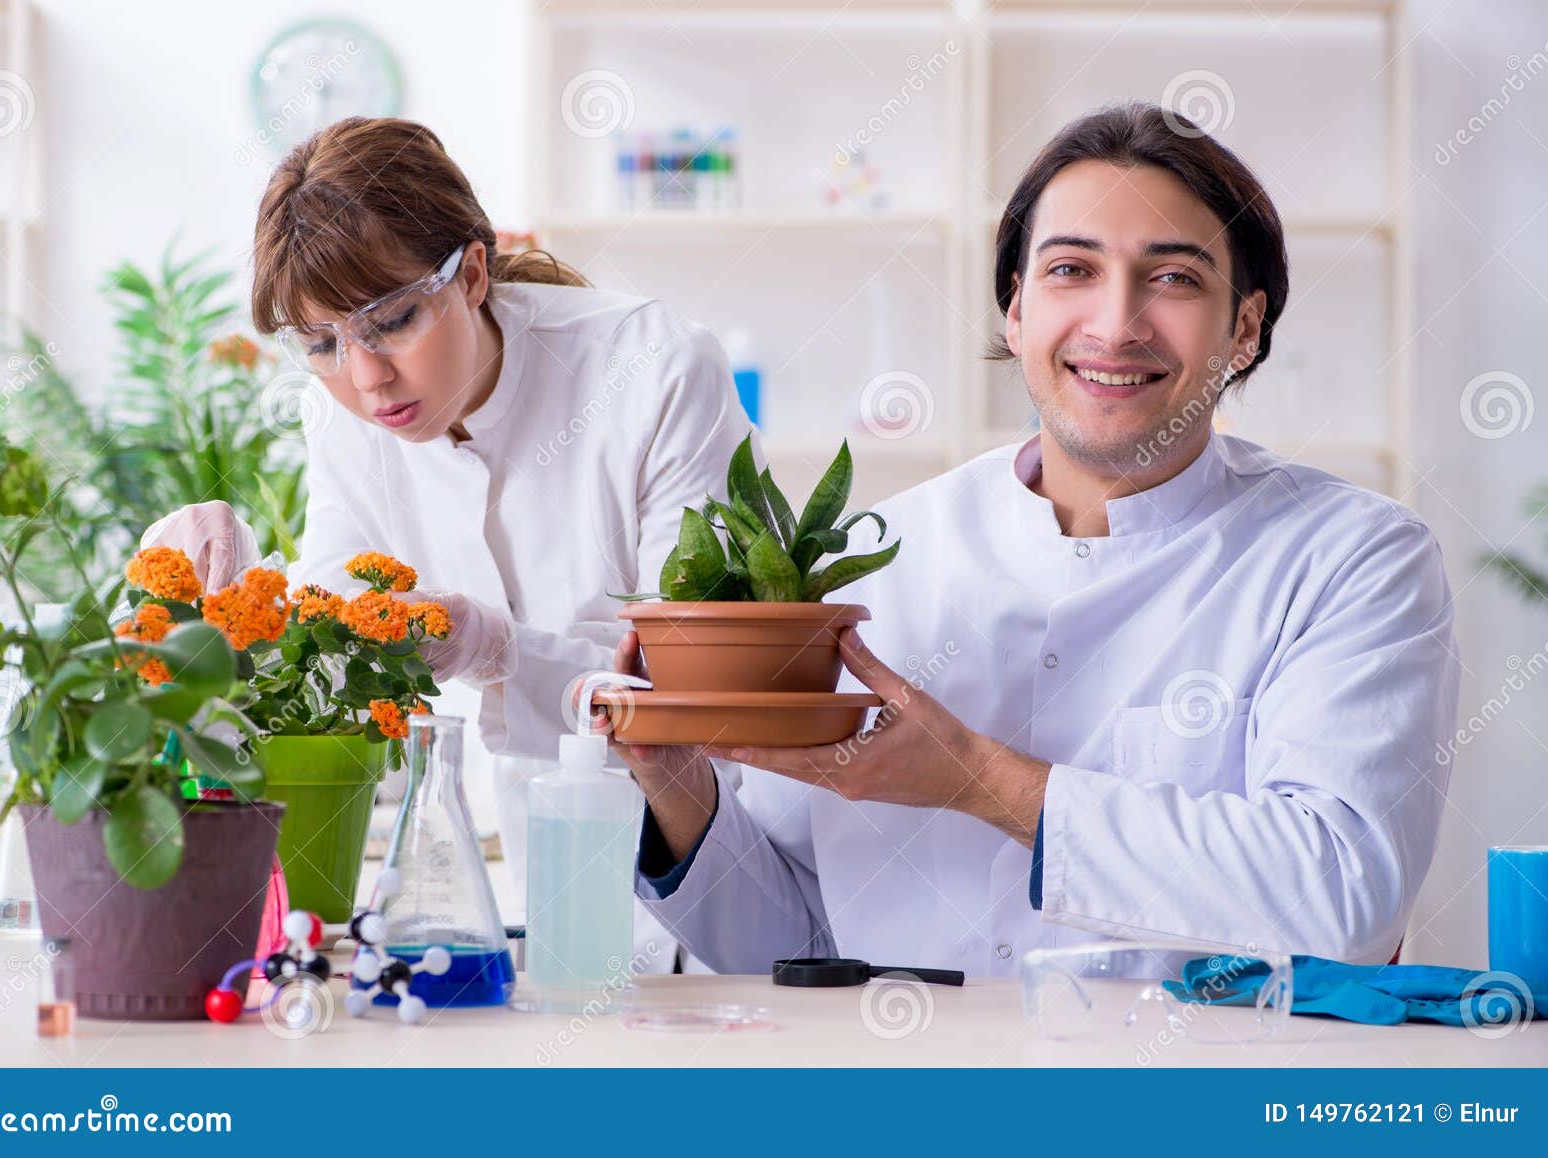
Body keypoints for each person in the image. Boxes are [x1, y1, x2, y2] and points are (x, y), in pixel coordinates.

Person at [612, 102, 1461, 974]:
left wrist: (976, 779)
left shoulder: (1355, 559)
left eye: (1173, 278)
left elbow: (1345, 903)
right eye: (1071, 270)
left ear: (1243, 330)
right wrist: (675, 783)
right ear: (1016, 312)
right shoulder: (886, 557)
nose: (1116, 323)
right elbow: (793, 950)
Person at [143, 117, 751, 971]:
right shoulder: (342, 417)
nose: (365, 378)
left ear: (470, 273)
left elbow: (698, 684)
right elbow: (333, 633)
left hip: (693, 885)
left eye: (391, 321)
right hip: (495, 907)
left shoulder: (653, 370)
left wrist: (496, 648)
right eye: (319, 344)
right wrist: (226, 577)